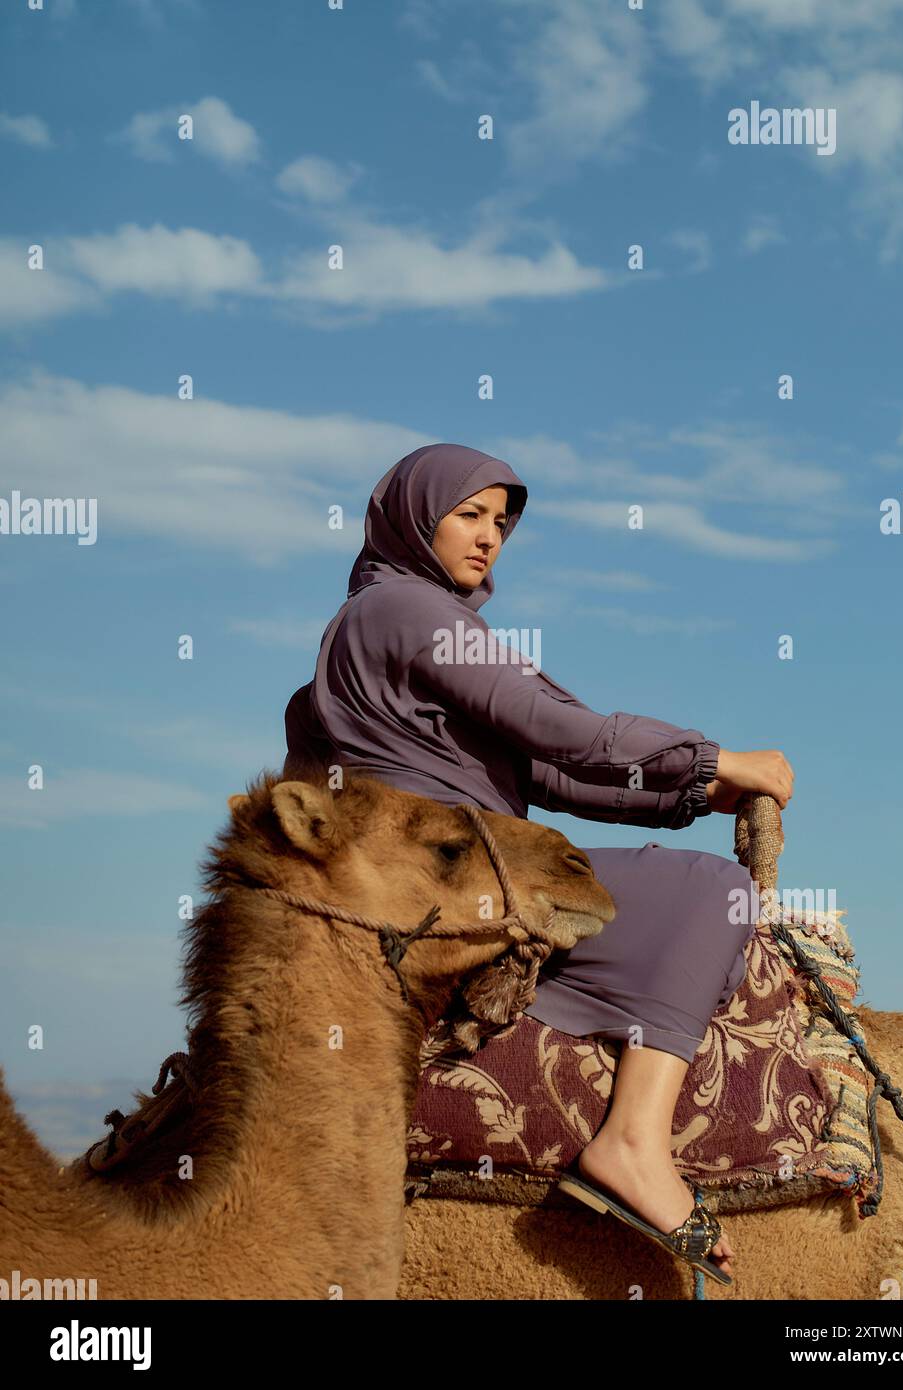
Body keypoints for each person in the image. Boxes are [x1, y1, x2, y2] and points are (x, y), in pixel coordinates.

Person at [283, 442, 794, 1284]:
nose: (488, 538)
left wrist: (693, 795)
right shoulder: (404, 610)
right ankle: (632, 1144)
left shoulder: (388, 627)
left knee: (664, 871)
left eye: (501, 522)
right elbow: (563, 729)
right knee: (712, 888)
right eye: (468, 515)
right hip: (445, 875)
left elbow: (545, 774)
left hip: (449, 866)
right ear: (413, 517)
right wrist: (717, 758)